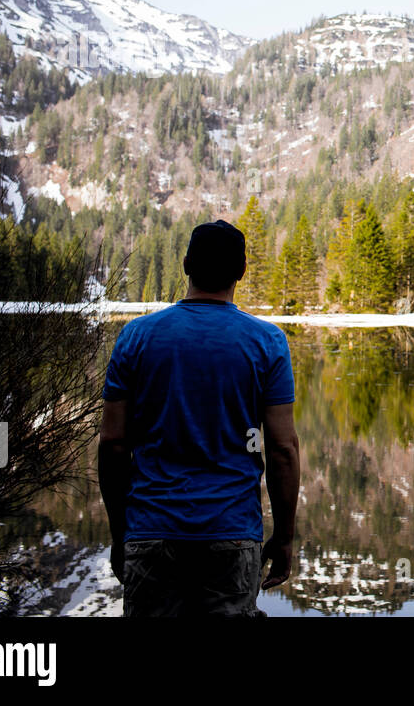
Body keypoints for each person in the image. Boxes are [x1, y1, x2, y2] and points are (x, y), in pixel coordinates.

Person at [98, 219, 300, 616]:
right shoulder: (267, 342)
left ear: (186, 264)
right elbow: (282, 450)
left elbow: (113, 443)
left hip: (151, 532)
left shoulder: (136, 337)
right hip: (232, 535)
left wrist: (120, 531)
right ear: (241, 271)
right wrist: (285, 536)